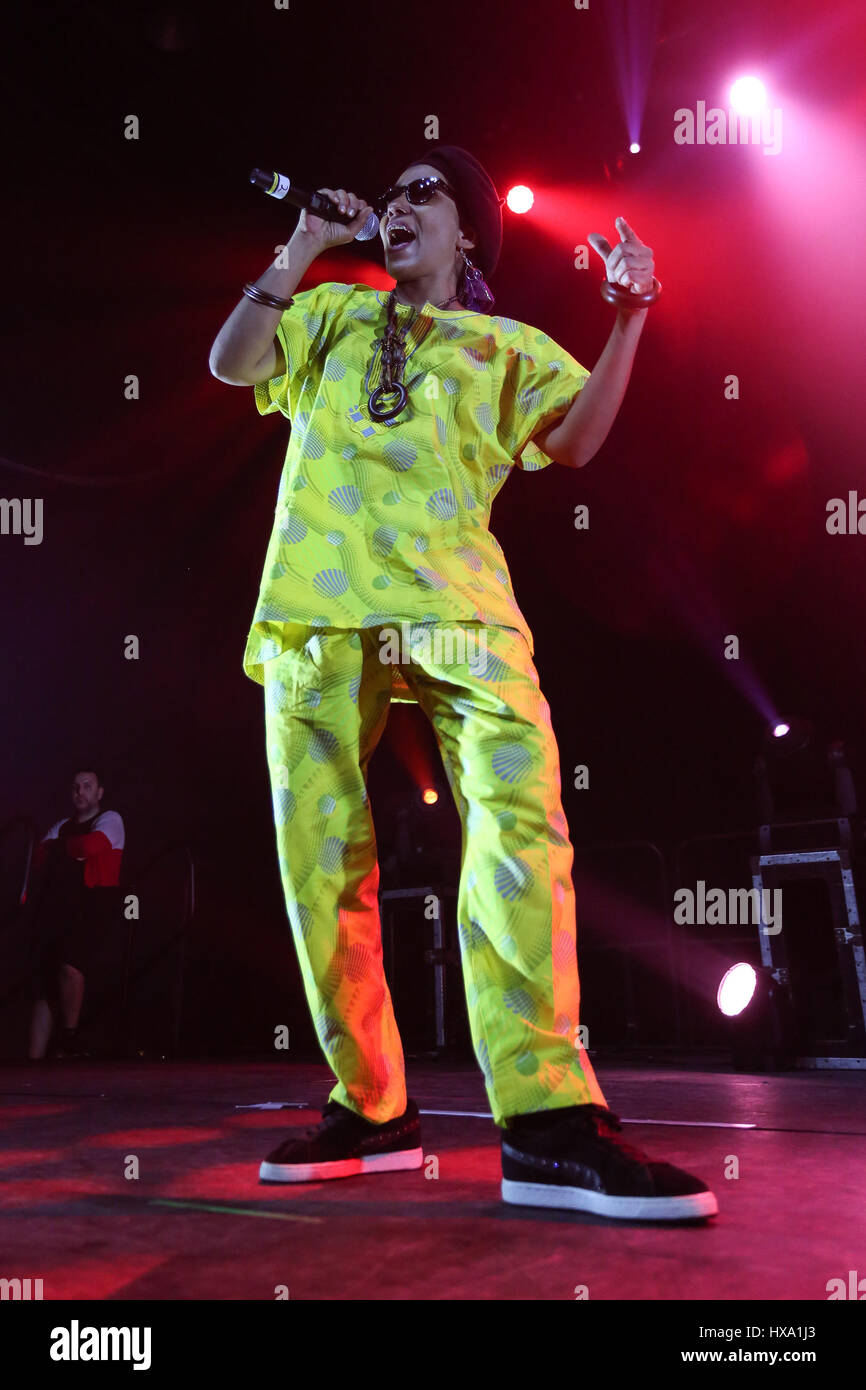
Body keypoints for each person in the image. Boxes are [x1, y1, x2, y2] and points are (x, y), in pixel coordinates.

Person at [209, 144, 717, 1221]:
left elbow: (575, 442)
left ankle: (543, 1120)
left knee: (519, 833)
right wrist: (301, 247)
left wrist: (627, 317)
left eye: (422, 194)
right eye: (389, 195)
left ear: (469, 233)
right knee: (319, 862)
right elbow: (232, 363)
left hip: (458, 611)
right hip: (315, 606)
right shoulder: (333, 317)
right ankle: (372, 1107)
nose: (397, 206)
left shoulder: (503, 343)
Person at [28, 769, 124, 1059]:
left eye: (87, 786)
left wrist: (64, 850)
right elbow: (40, 855)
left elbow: (92, 845)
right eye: (75, 787)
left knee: (72, 968)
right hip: (56, 909)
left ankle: (68, 1043)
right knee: (45, 988)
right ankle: (33, 1060)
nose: (80, 791)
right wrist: (69, 851)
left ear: (99, 792)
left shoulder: (111, 819)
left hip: (92, 907)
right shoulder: (63, 825)